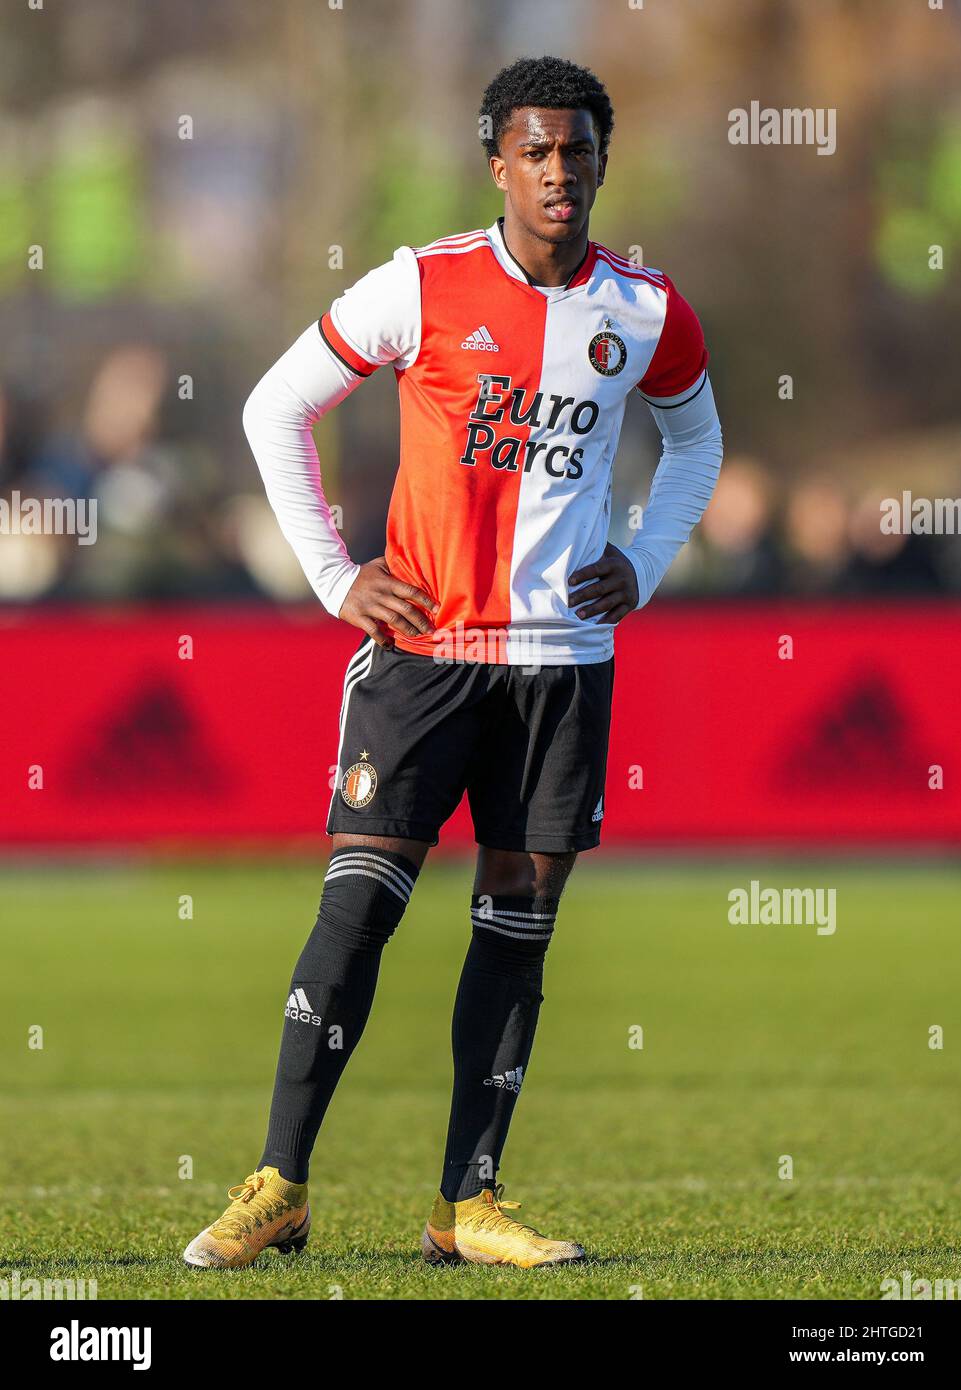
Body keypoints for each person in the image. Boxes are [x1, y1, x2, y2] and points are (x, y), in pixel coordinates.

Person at [184, 54, 722, 1271]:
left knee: (515, 938)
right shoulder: (419, 285)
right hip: (422, 653)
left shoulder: (641, 308)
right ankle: (280, 1183)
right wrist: (335, 578)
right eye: (532, 151)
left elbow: (697, 435)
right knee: (354, 916)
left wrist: (643, 558)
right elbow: (275, 408)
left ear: (599, 162)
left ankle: (465, 1205)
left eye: (575, 151)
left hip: (564, 664)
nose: (556, 172)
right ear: (496, 162)